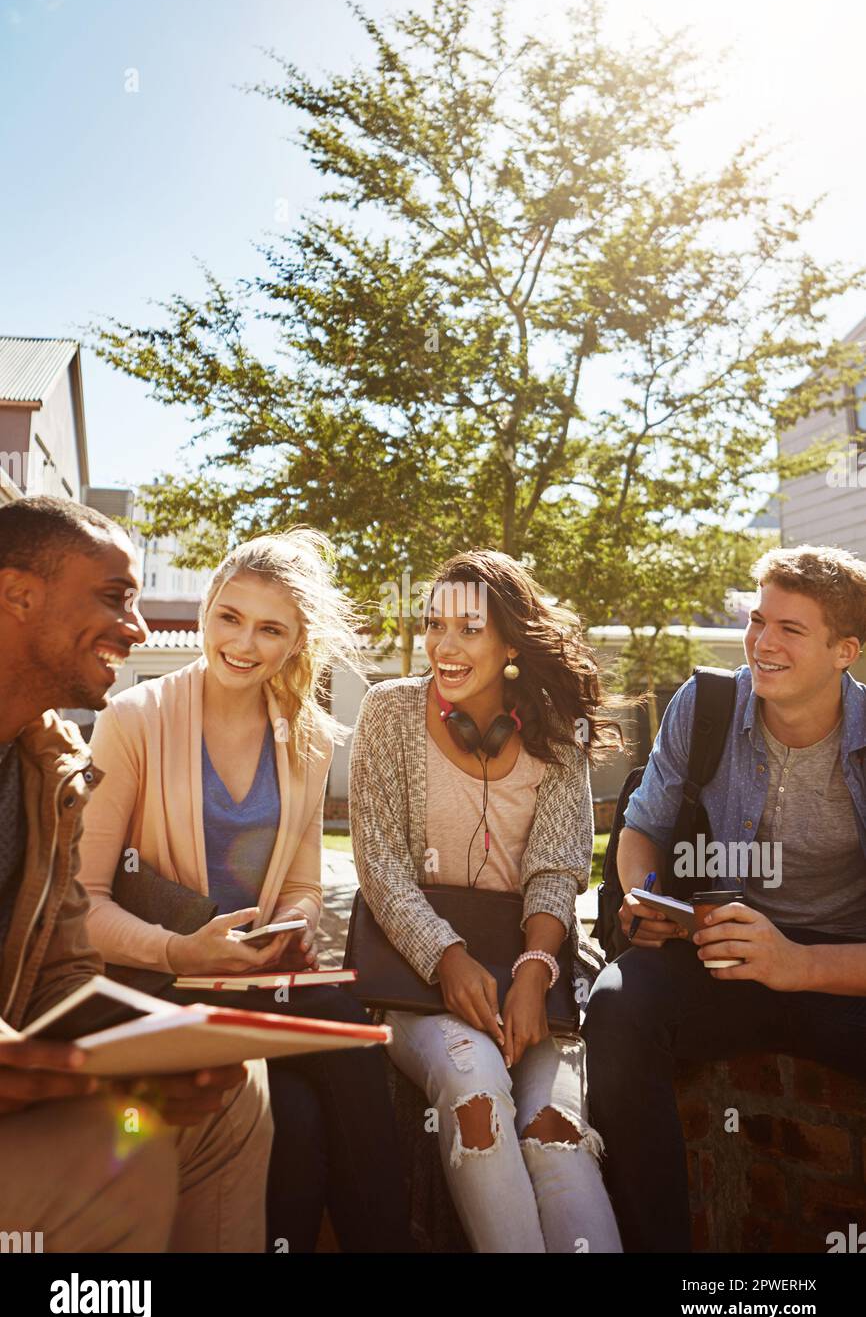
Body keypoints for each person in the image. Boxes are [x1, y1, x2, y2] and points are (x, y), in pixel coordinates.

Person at [78, 528, 412, 1253]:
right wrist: (183, 949)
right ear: (206, 611)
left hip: (255, 984)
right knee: (348, 1030)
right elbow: (81, 903)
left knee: (294, 1116)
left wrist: (284, 928)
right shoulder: (133, 721)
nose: (242, 642)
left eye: (269, 629)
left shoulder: (309, 738)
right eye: (229, 616)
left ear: (295, 643)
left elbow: (300, 886)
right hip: (154, 987)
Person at [0, 496, 271, 1252]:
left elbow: (62, 974)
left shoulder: (46, 768)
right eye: (116, 597)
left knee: (229, 1092)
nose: (140, 628)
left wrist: (160, 1042)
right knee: (125, 1156)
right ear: (18, 594)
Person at [582, 544, 866, 1253]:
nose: (762, 643)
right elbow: (642, 826)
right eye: (757, 620)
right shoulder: (707, 702)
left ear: (846, 650)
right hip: (722, 960)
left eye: (790, 630)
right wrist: (647, 898)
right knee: (617, 1005)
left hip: (837, 974)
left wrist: (798, 964)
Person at [350, 548, 625, 1253]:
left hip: (534, 973)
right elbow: (379, 866)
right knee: (475, 1097)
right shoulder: (388, 713)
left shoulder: (557, 733)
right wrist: (447, 957)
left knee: (554, 1134)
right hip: (418, 979)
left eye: (468, 629)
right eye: (434, 624)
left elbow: (558, 869)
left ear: (509, 642)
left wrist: (533, 971)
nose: (444, 644)